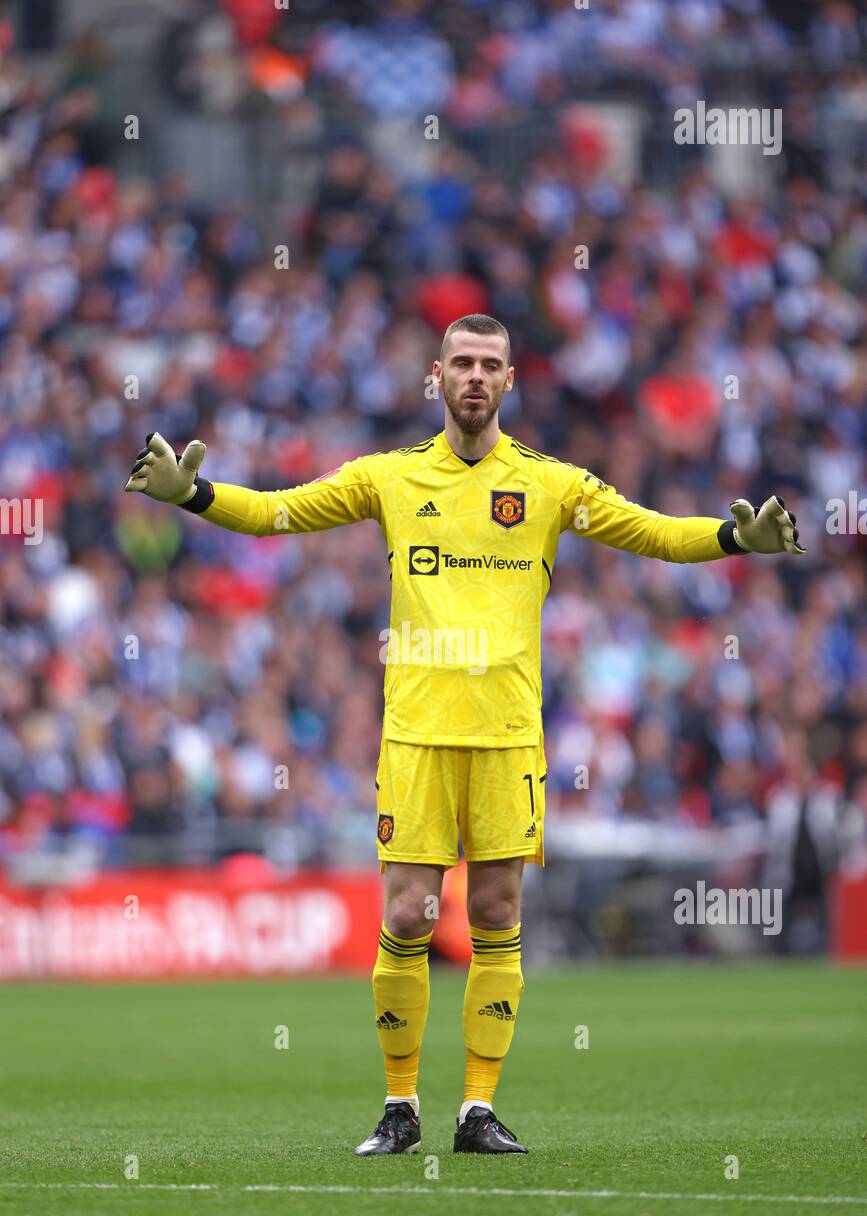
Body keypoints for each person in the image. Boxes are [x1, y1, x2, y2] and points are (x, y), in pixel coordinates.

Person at [124, 313, 804, 1155]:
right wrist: (190, 494)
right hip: (415, 733)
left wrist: (736, 536)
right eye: (462, 363)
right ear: (433, 377)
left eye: (490, 364)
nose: (475, 377)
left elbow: (653, 532)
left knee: (493, 908)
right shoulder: (389, 477)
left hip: (509, 735)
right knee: (409, 915)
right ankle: (399, 1106)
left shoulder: (550, 483)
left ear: (509, 381)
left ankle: (476, 1110)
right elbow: (276, 514)